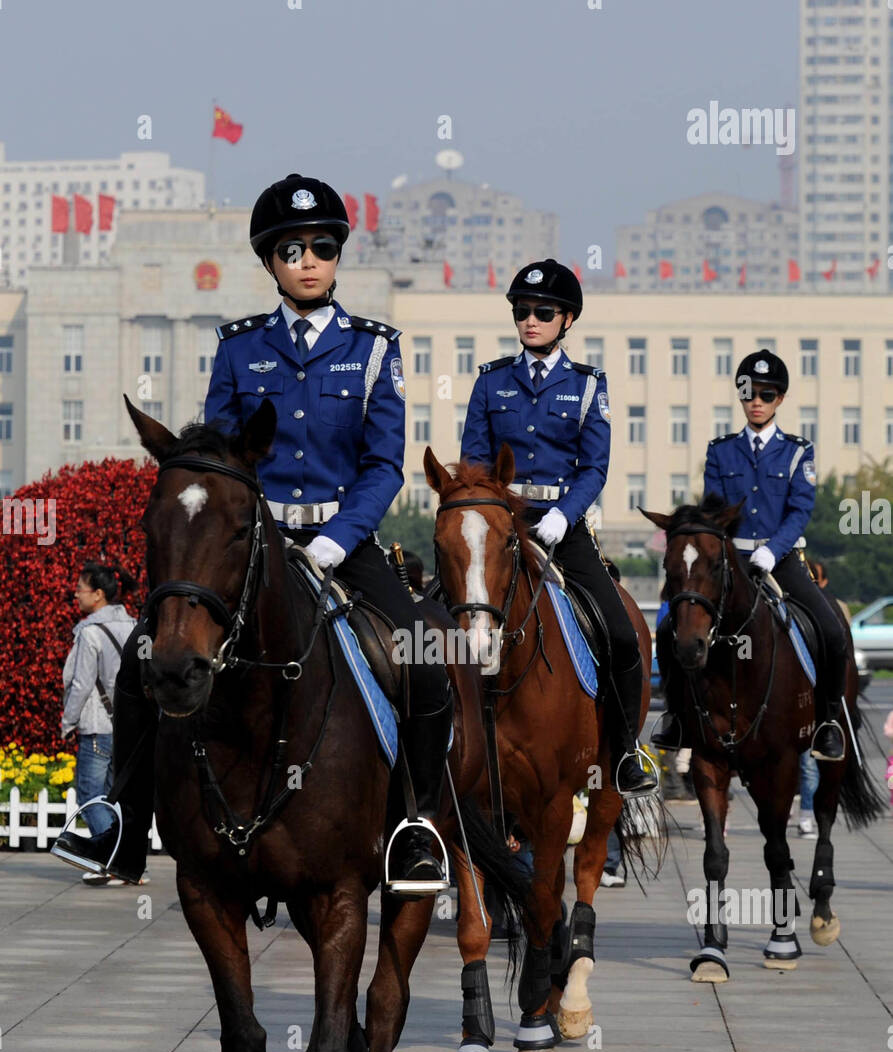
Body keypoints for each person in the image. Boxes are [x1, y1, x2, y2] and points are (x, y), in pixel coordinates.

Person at [53, 173, 452, 895]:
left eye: (321, 247)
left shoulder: (373, 349)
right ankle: (123, 831)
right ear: (269, 263)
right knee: (149, 656)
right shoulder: (238, 347)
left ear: (336, 258)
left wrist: (335, 538)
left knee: (423, 658)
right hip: (253, 545)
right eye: (290, 249)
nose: (307, 260)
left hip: (343, 543)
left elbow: (383, 465)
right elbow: (216, 452)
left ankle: (415, 829)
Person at [460, 259, 657, 798]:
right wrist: (497, 508)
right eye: (522, 312)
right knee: (439, 624)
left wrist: (562, 514)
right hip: (500, 524)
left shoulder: (589, 385)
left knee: (621, 635)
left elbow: (595, 467)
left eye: (542, 313)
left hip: (561, 528)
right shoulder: (490, 381)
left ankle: (624, 752)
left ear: (567, 319)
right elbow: (473, 460)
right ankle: (440, 746)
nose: (530, 321)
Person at [652, 350, 848, 762]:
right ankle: (676, 716)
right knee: (672, 623)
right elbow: (713, 511)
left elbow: (799, 511)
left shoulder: (798, 451)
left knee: (830, 630)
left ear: (780, 399)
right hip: (730, 560)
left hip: (783, 560)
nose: (756, 401)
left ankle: (828, 721)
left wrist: (772, 551)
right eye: (749, 394)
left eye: (766, 394)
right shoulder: (721, 451)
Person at [60, 562, 139, 885]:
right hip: (128, 728)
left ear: (98, 594)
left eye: (80, 588)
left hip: (96, 725)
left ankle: (111, 859)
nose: (76, 594)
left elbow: (80, 684)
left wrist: (67, 722)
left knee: (90, 794)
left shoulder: (91, 632)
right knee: (118, 797)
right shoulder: (135, 626)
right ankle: (130, 863)